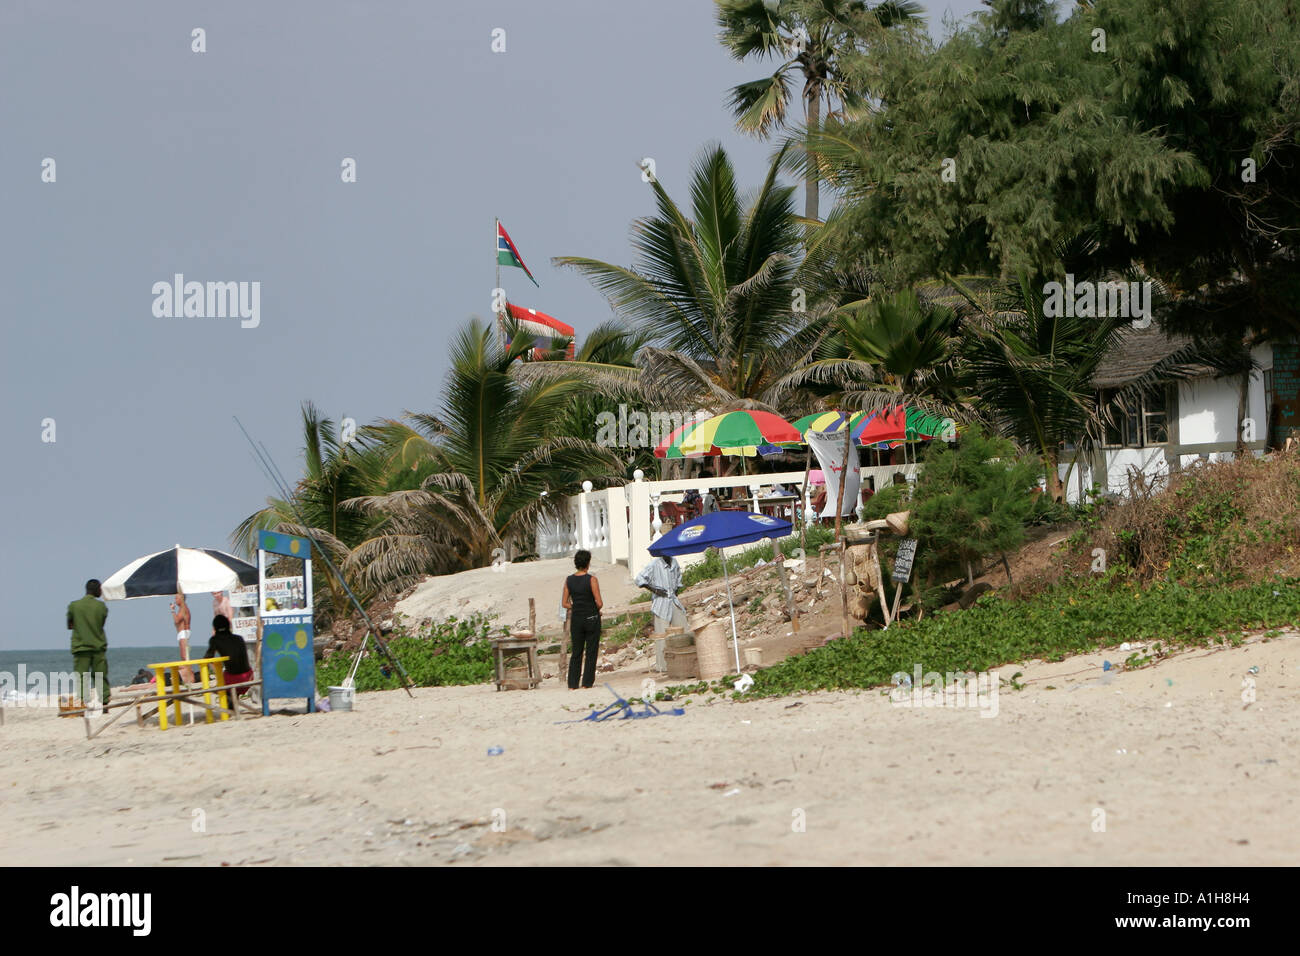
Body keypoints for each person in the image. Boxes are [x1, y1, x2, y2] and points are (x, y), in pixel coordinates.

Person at [561, 550, 603, 690]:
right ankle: (587, 683)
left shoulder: (569, 580)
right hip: (591, 617)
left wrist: (576, 606)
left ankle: (573, 684)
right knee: (591, 651)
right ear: (588, 563)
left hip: (576, 618)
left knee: (576, 651)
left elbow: (564, 603)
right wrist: (591, 606)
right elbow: (599, 602)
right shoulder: (592, 579)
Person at [67, 579, 110, 707]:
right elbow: (100, 623)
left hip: (81, 647)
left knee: (81, 677)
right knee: (100, 675)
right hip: (98, 646)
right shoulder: (101, 607)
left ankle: (83, 701)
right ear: (96, 590)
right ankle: (105, 702)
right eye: (100, 589)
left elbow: (70, 625)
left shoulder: (74, 606)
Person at [206, 614, 254, 710]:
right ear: (228, 625)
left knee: (225, 677)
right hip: (248, 677)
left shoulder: (214, 640)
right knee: (230, 674)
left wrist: (216, 673)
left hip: (232, 680)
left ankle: (230, 704)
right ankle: (232, 701)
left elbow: (207, 659)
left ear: (215, 627)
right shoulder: (239, 638)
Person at [635, 553, 688, 635]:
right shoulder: (655, 564)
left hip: (673, 600)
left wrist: (675, 591)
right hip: (661, 603)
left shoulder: (674, 562)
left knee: (683, 628)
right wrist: (655, 590)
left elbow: (678, 578)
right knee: (662, 634)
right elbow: (639, 578)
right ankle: (662, 648)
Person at [170, 592, 194, 683]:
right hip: (181, 633)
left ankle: (190, 676)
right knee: (183, 656)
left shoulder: (183, 608)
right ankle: (187, 674)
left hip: (184, 633)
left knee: (185, 656)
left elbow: (177, 620)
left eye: (176, 598)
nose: (175, 600)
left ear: (182, 598)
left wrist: (172, 610)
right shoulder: (181, 608)